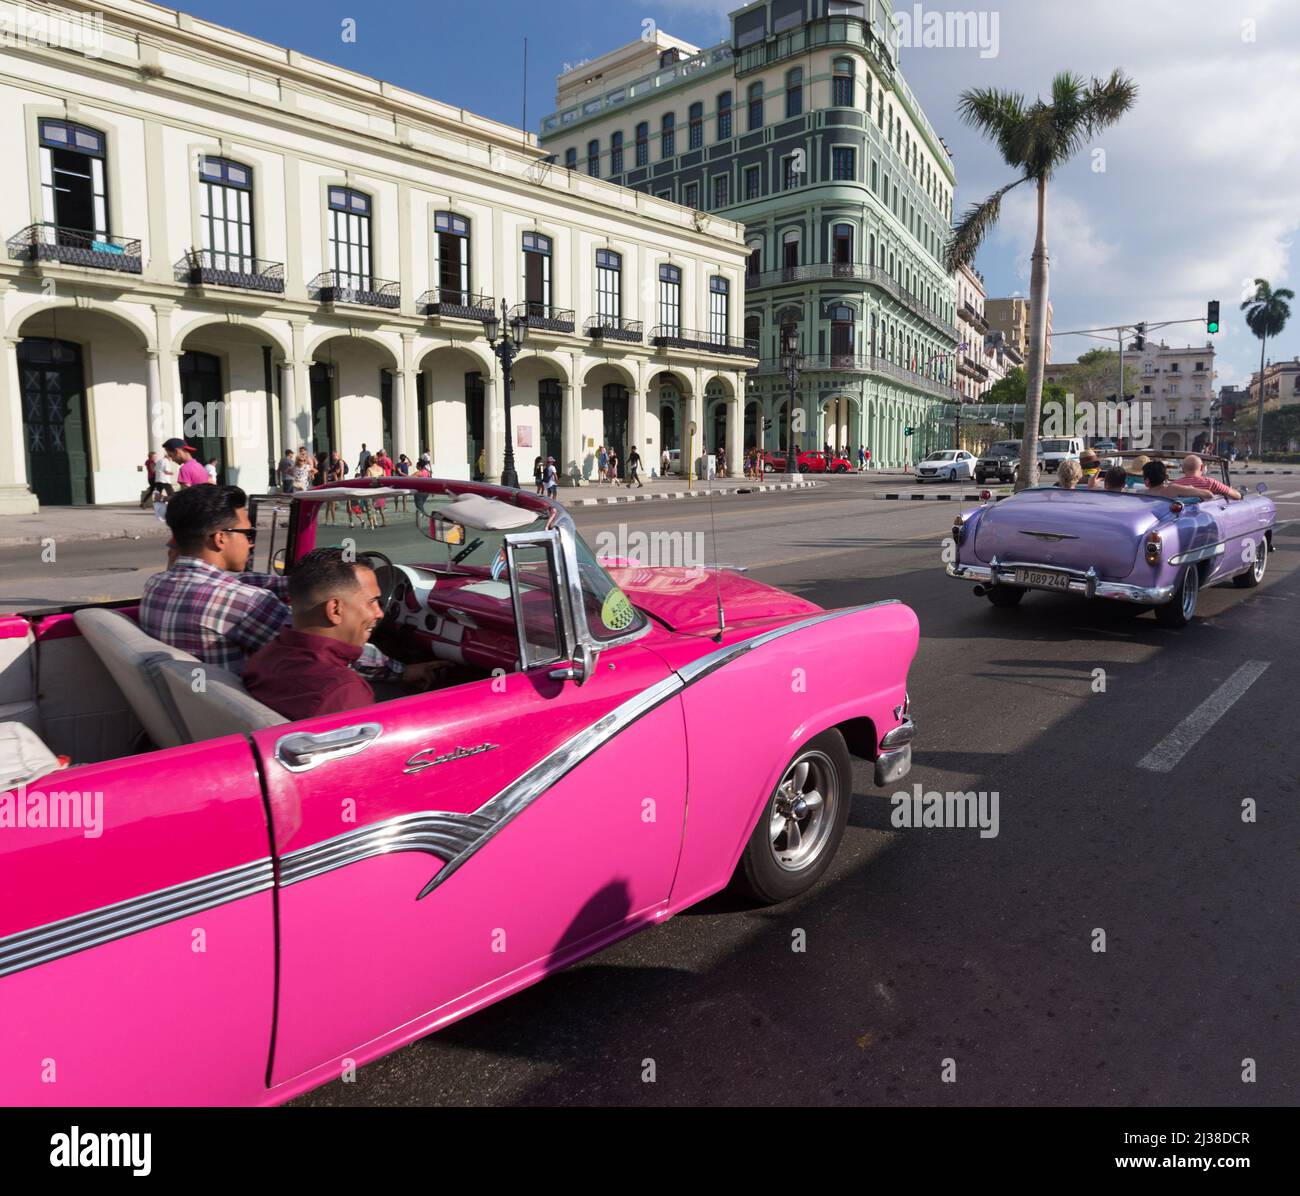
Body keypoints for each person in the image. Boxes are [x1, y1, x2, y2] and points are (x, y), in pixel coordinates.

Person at [141, 484, 415, 684]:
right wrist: (403, 670)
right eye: (248, 533)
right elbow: (324, 649)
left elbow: (249, 582)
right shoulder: (245, 603)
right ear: (220, 538)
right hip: (264, 722)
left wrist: (322, 581)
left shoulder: (156, 585)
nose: (251, 542)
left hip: (205, 713)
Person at [243, 548, 447, 721]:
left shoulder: (265, 657)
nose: (379, 613)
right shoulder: (343, 692)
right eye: (372, 602)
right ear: (335, 610)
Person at [1140, 458, 1207, 499]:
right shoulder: (1172, 489)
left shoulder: (1142, 494)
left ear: (1147, 481)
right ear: (1166, 477)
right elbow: (1208, 494)